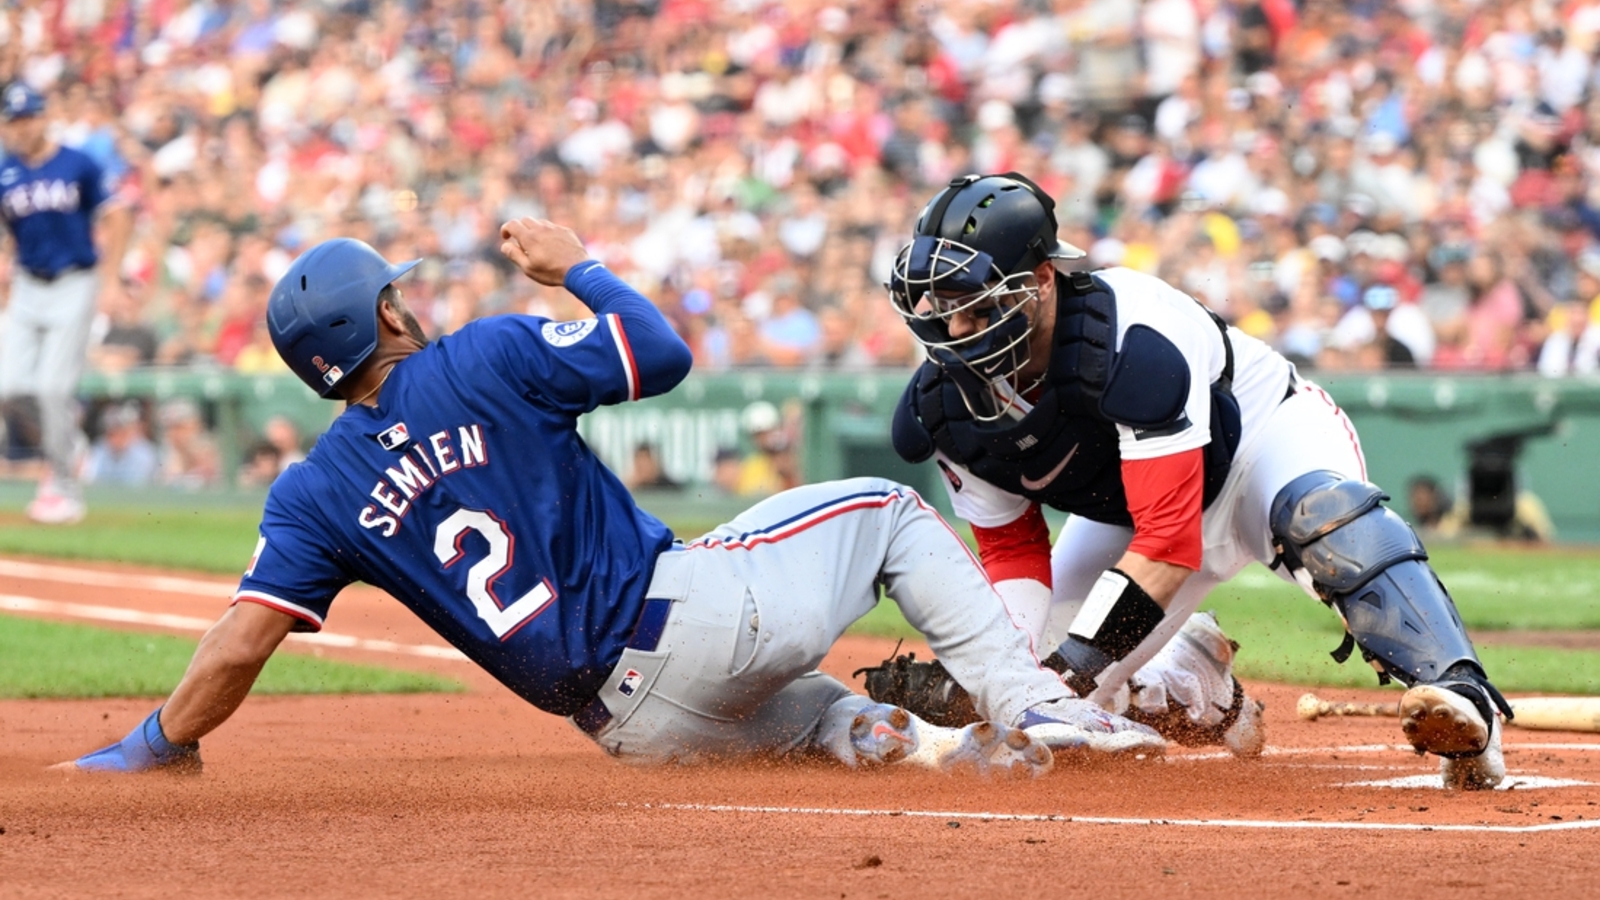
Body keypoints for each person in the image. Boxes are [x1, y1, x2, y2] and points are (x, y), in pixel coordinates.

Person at [58, 221, 1165, 777]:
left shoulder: (313, 494)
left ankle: (878, 738)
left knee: (819, 704)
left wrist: (157, 742)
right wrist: (577, 268)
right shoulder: (480, 355)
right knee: (889, 510)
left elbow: (245, 638)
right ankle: (1031, 700)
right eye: (394, 294)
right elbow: (661, 351)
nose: (411, 301)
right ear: (381, 322)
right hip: (686, 621)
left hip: (632, 728)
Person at [877, 173, 1513, 789]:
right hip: (1131, 508)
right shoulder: (943, 409)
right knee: (1034, 707)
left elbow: (1170, 543)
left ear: (1043, 280)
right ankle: (1189, 683)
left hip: (1261, 448)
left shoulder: (1133, 336)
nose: (957, 330)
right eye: (944, 306)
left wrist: (1063, 673)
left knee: (1325, 517)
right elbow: (1014, 551)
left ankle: (1461, 693)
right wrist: (1014, 675)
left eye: (977, 304)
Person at [0, 83, 132, 524]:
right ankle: (67, 446)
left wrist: (111, 278)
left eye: (28, 117)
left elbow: (116, 214)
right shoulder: (5, 169)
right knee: (8, 386)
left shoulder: (77, 162)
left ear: (43, 117)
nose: (22, 127)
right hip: (27, 284)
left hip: (75, 280)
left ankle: (64, 486)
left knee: (54, 388)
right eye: (13, 120)